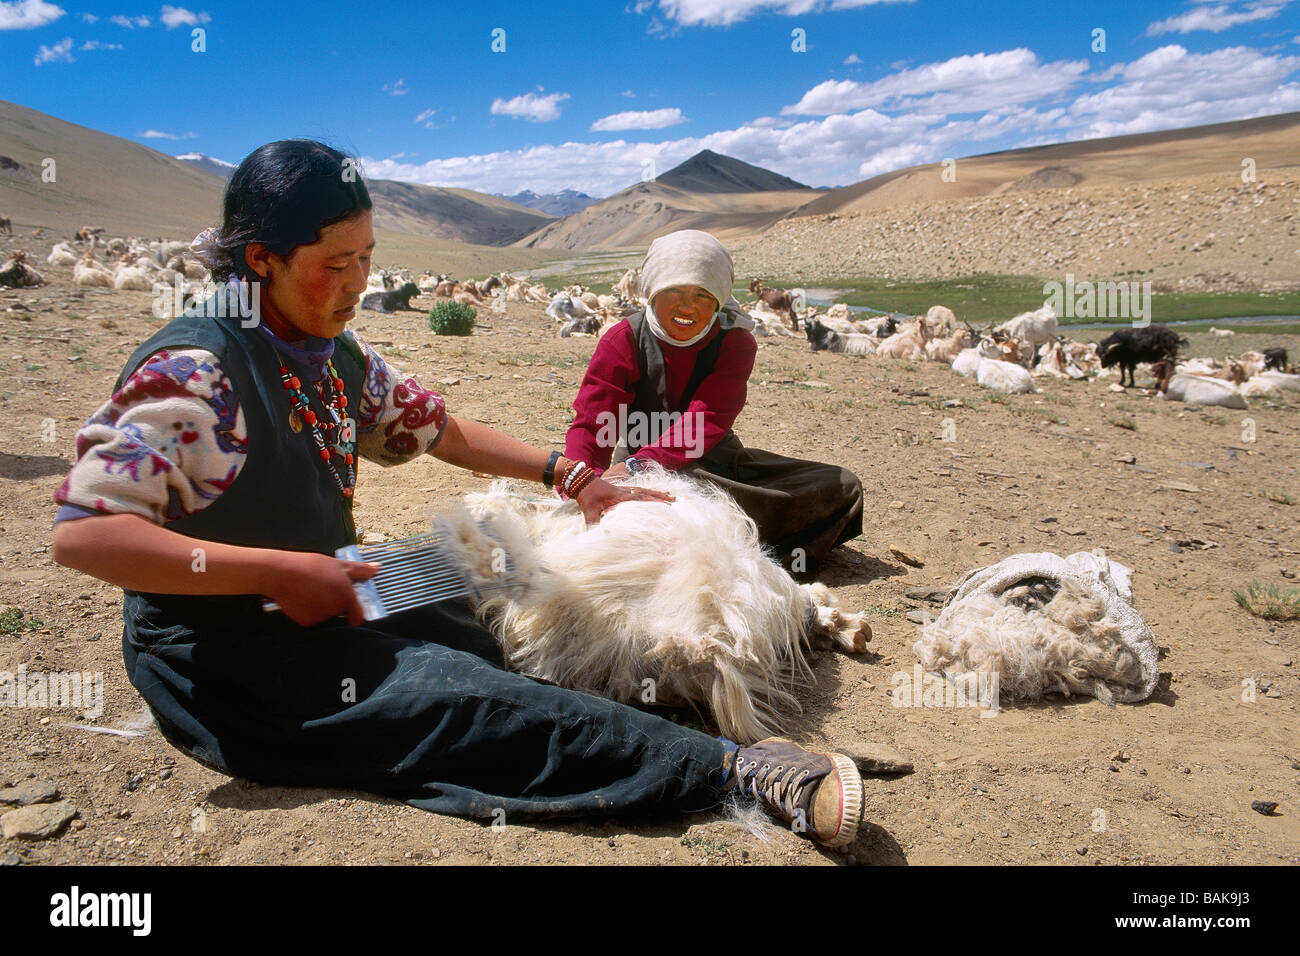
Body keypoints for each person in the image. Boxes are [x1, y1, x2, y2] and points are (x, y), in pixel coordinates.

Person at [49, 140, 865, 847]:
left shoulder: (326, 349)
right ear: (260, 258)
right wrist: (274, 572)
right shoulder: (198, 371)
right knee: (460, 695)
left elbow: (439, 430)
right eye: (337, 264)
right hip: (228, 651)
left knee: (495, 586)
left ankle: (720, 659)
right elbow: (85, 536)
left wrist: (571, 476)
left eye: (368, 258)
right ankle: (740, 775)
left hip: (331, 585)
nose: (358, 283)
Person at [565, 229, 864, 577]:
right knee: (656, 507)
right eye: (673, 291)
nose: (687, 306)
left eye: (703, 294)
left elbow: (706, 422)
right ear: (652, 291)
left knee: (842, 486)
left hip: (717, 465)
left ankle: (740, 558)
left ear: (720, 298)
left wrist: (639, 466)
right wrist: (582, 483)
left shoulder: (734, 342)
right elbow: (593, 423)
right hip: (640, 469)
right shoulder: (623, 340)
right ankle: (738, 555)